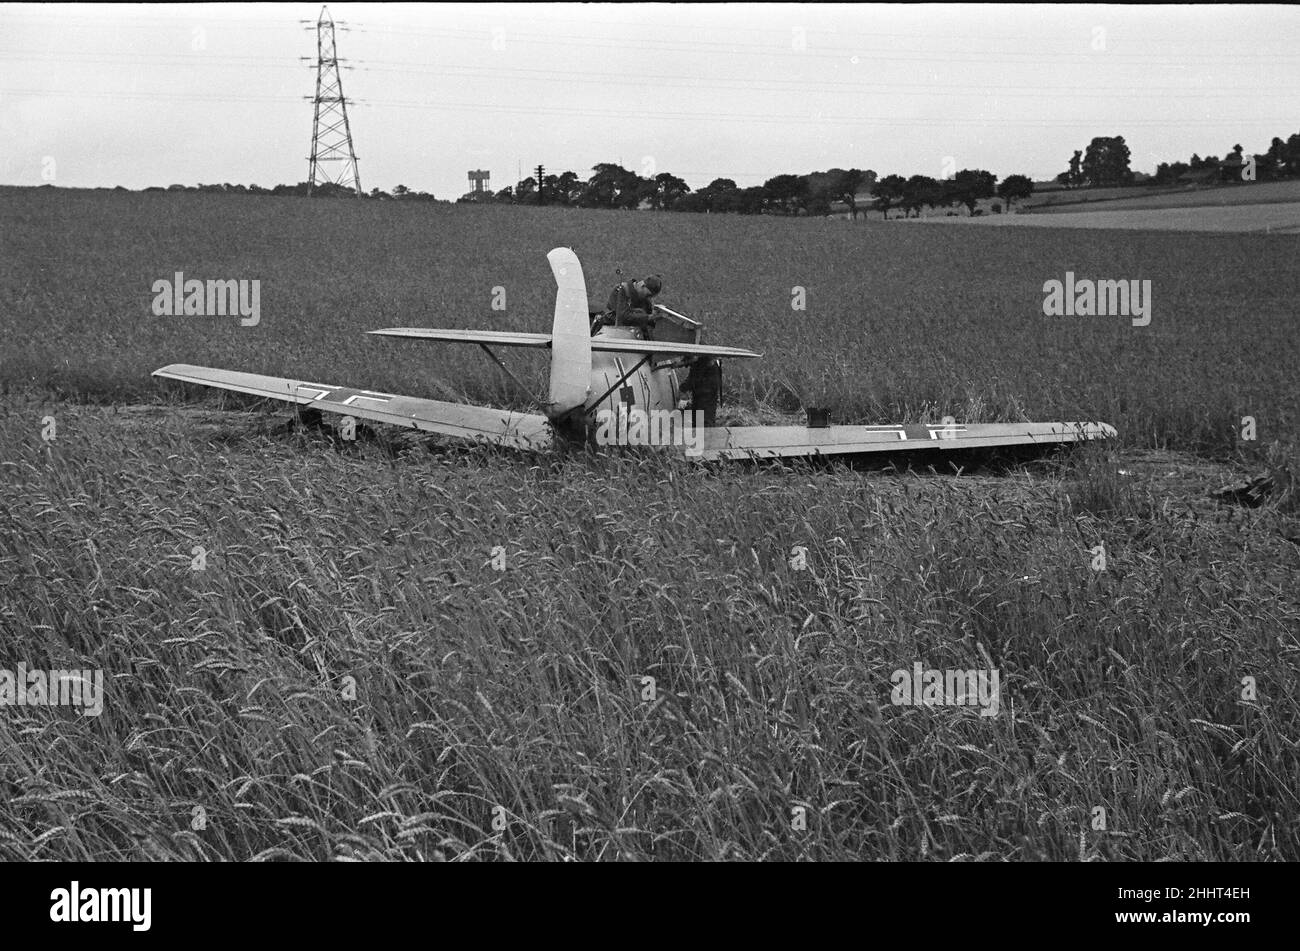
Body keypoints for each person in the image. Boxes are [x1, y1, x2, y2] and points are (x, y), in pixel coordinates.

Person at [597, 275, 663, 334]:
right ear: (642, 285)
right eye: (648, 295)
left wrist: (657, 316)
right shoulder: (621, 290)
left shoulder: (646, 301)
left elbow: (649, 324)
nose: (649, 298)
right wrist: (648, 317)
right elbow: (623, 317)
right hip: (611, 330)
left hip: (633, 335)